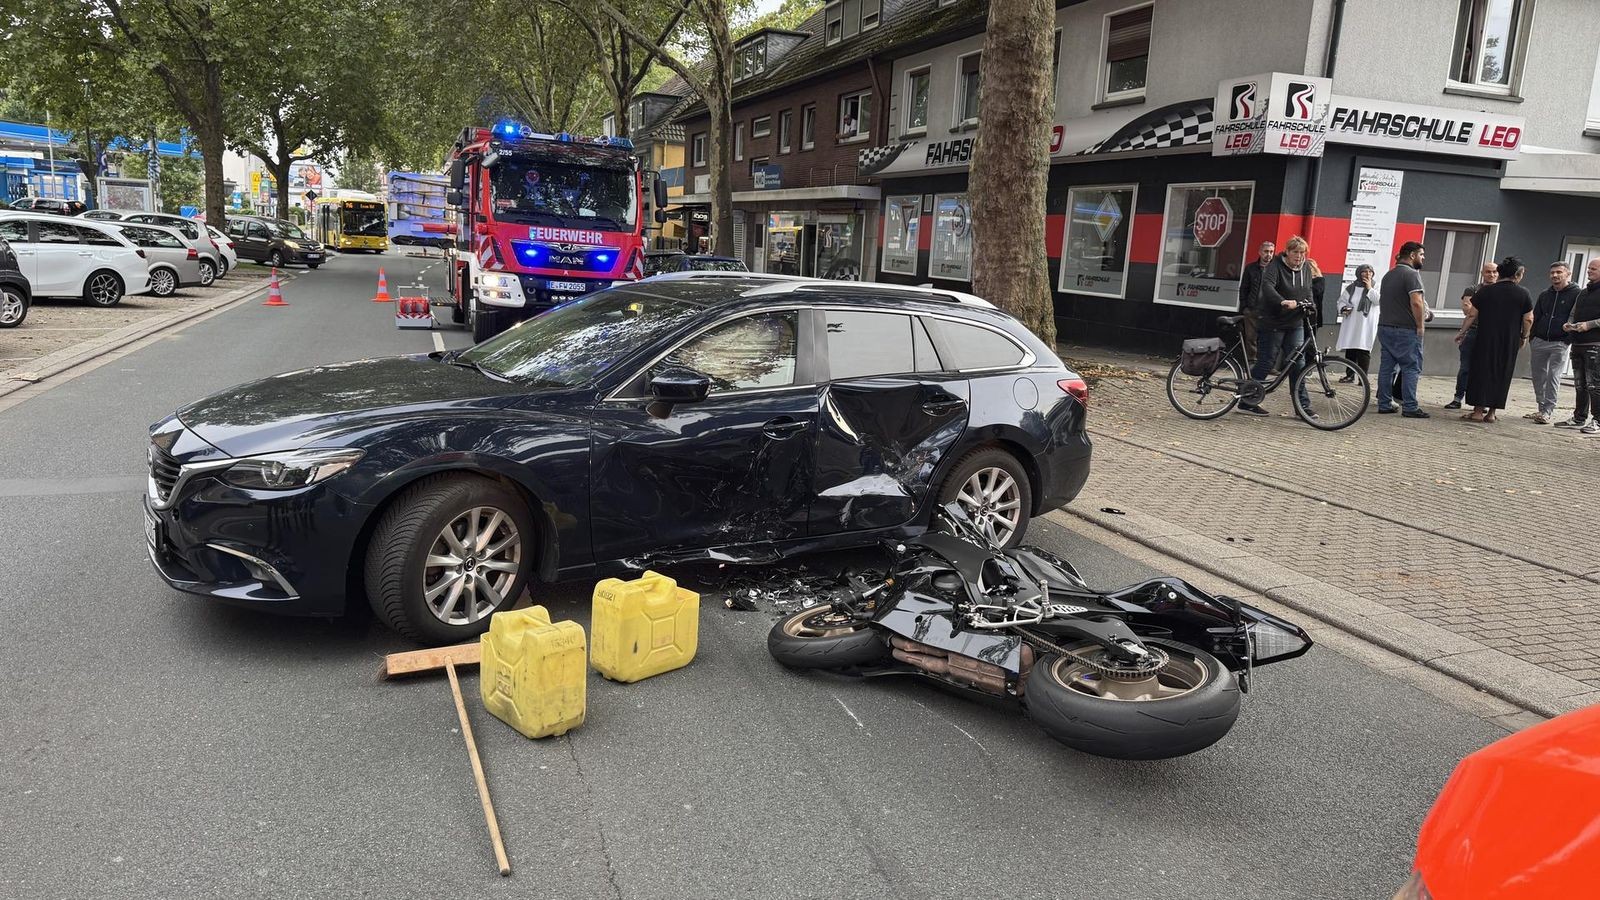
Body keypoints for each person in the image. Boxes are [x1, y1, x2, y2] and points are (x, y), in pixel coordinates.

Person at [1237, 236, 1314, 417]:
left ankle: (1302, 407)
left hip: (1295, 322)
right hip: (1273, 321)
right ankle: (1247, 401)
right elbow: (1268, 287)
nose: (1299, 256)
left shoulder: (1306, 269)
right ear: (1287, 252)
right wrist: (1282, 301)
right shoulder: (1275, 266)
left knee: (1298, 363)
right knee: (1267, 361)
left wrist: (1311, 304)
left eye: (1302, 252)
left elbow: (1308, 290)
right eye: (1295, 252)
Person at [1462, 257, 1534, 423]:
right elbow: (1528, 318)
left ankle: (1478, 411)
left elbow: (1472, 314)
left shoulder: (1485, 291)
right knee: (1502, 372)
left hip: (1485, 338)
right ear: (1517, 275)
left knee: (1481, 370)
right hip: (1509, 340)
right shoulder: (1523, 293)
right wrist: (1524, 336)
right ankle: (1492, 413)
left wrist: (1462, 331)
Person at [1377, 242, 1431, 418]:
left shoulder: (1388, 275)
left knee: (1387, 367)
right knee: (1411, 367)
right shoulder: (1412, 275)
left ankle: (1384, 403)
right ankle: (1410, 406)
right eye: (1421, 254)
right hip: (1406, 329)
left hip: (1385, 327)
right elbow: (1416, 302)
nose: (1423, 258)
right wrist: (1420, 326)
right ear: (1413, 255)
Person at [1525, 262, 1580, 424]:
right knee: (1538, 376)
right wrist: (1532, 337)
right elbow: (1536, 316)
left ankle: (1548, 410)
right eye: (1552, 273)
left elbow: (1577, 317)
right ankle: (1541, 407)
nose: (1555, 276)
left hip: (1559, 342)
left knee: (1553, 376)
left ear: (1568, 274)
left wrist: (1567, 339)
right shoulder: (1545, 294)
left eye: (1559, 272)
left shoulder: (1577, 294)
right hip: (1540, 341)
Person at [1445, 262, 1500, 409]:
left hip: (1492, 334)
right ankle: (1458, 398)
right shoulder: (1473, 289)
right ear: (1482, 273)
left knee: (1487, 369)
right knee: (1465, 367)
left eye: (1495, 272)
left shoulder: (1502, 291)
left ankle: (1483, 401)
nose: (1492, 275)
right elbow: (1467, 310)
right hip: (1473, 331)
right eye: (1488, 272)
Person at [1560, 257, 1600, 434]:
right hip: (1578, 343)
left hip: (1595, 345)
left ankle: (1598, 421)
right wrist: (1569, 324)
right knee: (1580, 384)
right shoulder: (1583, 292)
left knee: (1595, 385)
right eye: (1589, 268)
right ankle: (1578, 417)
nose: (1589, 271)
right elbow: (1573, 313)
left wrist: (1589, 325)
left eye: (1593, 269)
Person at [1334, 264, 1380, 379]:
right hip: (1351, 322)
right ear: (1359, 273)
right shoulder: (1351, 288)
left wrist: (1369, 288)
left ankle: (1362, 378)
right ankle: (1349, 375)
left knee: (1363, 349)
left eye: (1370, 272)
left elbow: (1378, 300)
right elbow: (1341, 301)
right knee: (1351, 349)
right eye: (1365, 272)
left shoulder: (1376, 286)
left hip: (1366, 324)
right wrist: (1343, 308)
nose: (1368, 274)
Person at [1237, 241, 1275, 363]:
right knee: (1251, 338)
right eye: (1266, 251)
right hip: (1252, 309)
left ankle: (1267, 364)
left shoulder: (1276, 269)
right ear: (1260, 252)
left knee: (1268, 338)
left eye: (1271, 252)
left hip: (1269, 310)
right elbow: (1244, 288)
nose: (1268, 255)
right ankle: (1251, 362)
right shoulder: (1251, 268)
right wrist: (1245, 307)